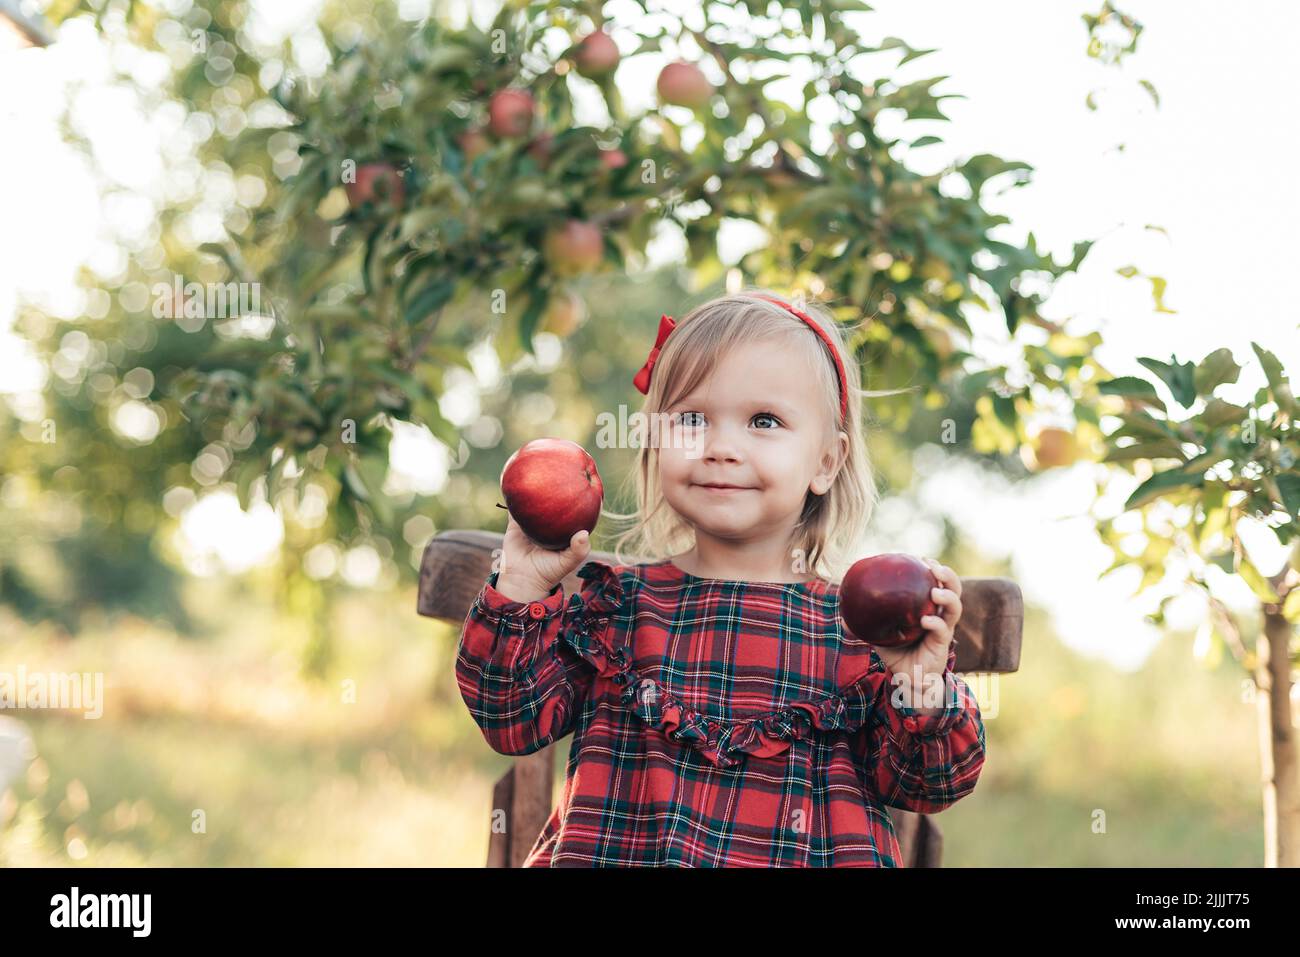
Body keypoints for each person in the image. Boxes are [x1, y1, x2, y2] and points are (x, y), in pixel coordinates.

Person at [456, 288, 986, 866]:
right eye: (690, 419)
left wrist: (920, 684)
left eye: (764, 420)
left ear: (826, 462)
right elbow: (510, 718)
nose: (721, 447)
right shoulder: (618, 609)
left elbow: (929, 783)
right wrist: (523, 585)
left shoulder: (859, 632)